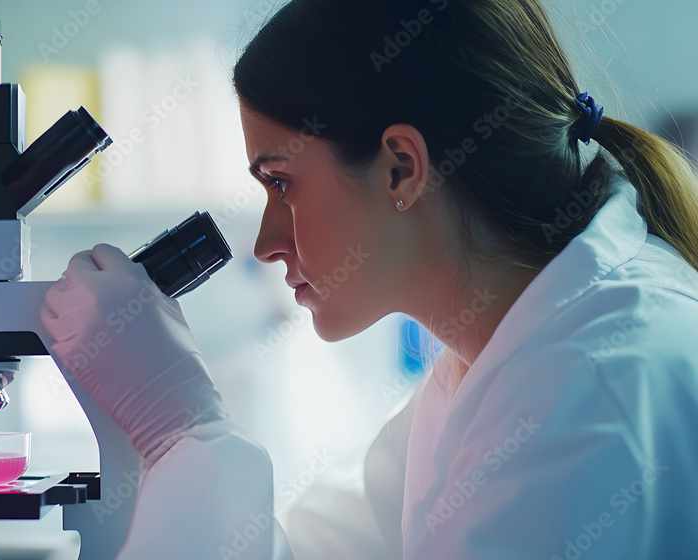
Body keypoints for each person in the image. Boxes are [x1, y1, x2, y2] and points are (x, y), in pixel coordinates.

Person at [40, 0, 698, 557]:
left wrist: (191, 437)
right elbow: (310, 550)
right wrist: (151, 440)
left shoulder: (592, 391)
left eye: (281, 183)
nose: (268, 245)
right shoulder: (492, 360)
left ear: (401, 169)